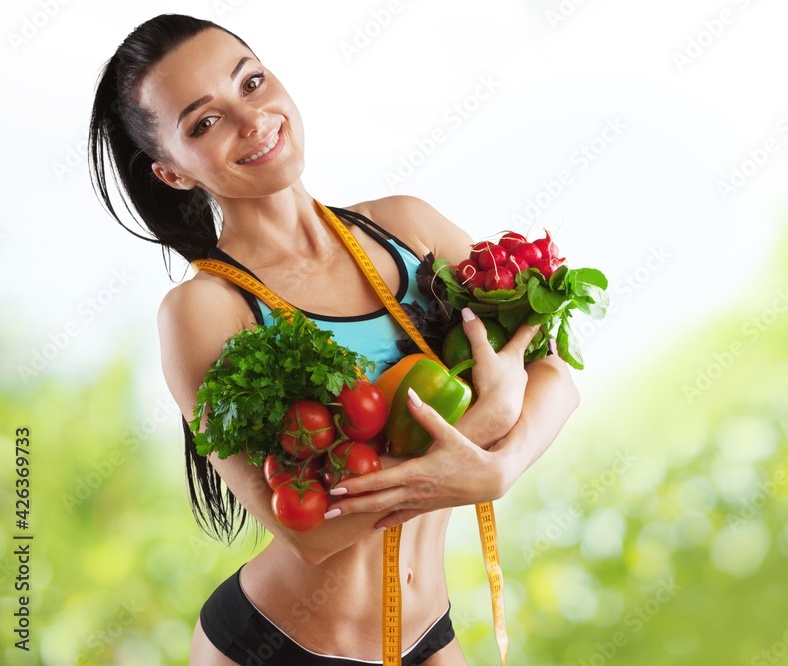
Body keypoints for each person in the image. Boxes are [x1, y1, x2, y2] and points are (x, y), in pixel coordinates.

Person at [88, 13, 580, 665]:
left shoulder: (407, 228)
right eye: (204, 122)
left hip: (427, 630)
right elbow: (309, 536)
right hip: (278, 644)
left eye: (253, 83)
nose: (251, 119)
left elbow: (555, 373)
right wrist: (480, 428)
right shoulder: (204, 309)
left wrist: (499, 466)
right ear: (173, 173)